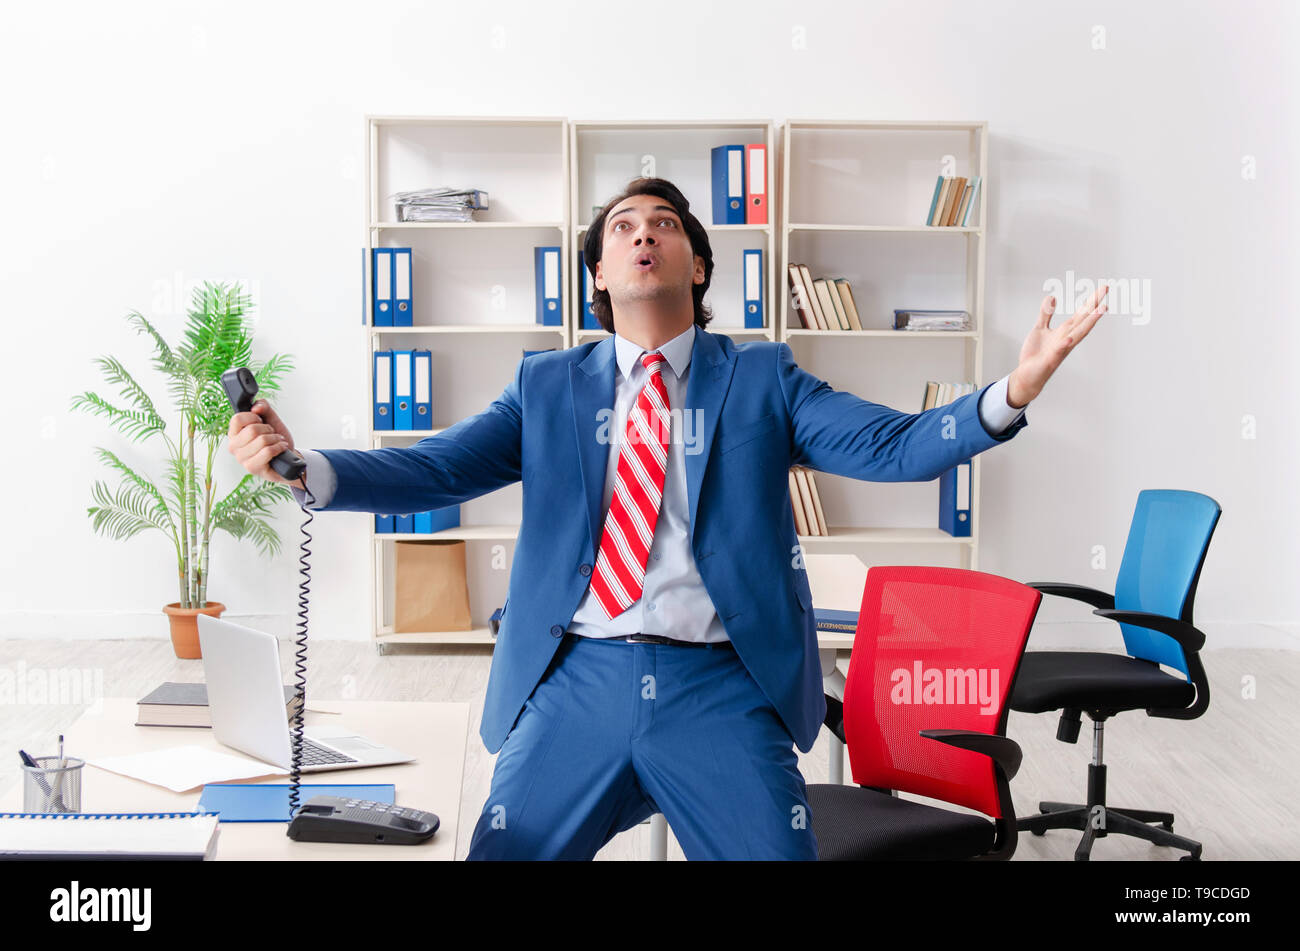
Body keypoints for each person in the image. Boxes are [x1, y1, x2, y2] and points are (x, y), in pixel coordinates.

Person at [229, 177, 1108, 860]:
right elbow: (440, 465)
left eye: (665, 223)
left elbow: (891, 446)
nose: (643, 232)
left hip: (721, 685)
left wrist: (1007, 396)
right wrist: (308, 467)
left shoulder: (764, 378)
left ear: (697, 265)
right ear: (599, 276)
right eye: (621, 227)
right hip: (575, 678)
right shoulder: (546, 386)